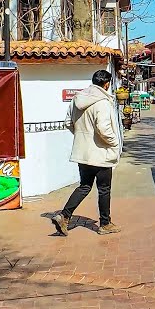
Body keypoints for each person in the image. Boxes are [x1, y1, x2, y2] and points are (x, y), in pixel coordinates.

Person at [52, 70, 123, 236]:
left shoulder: (77, 100)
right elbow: (104, 129)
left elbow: (68, 122)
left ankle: (64, 215)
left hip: (83, 153)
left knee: (84, 186)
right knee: (104, 189)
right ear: (107, 84)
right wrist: (114, 143)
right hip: (101, 153)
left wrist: (81, 138)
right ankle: (105, 223)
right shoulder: (103, 102)